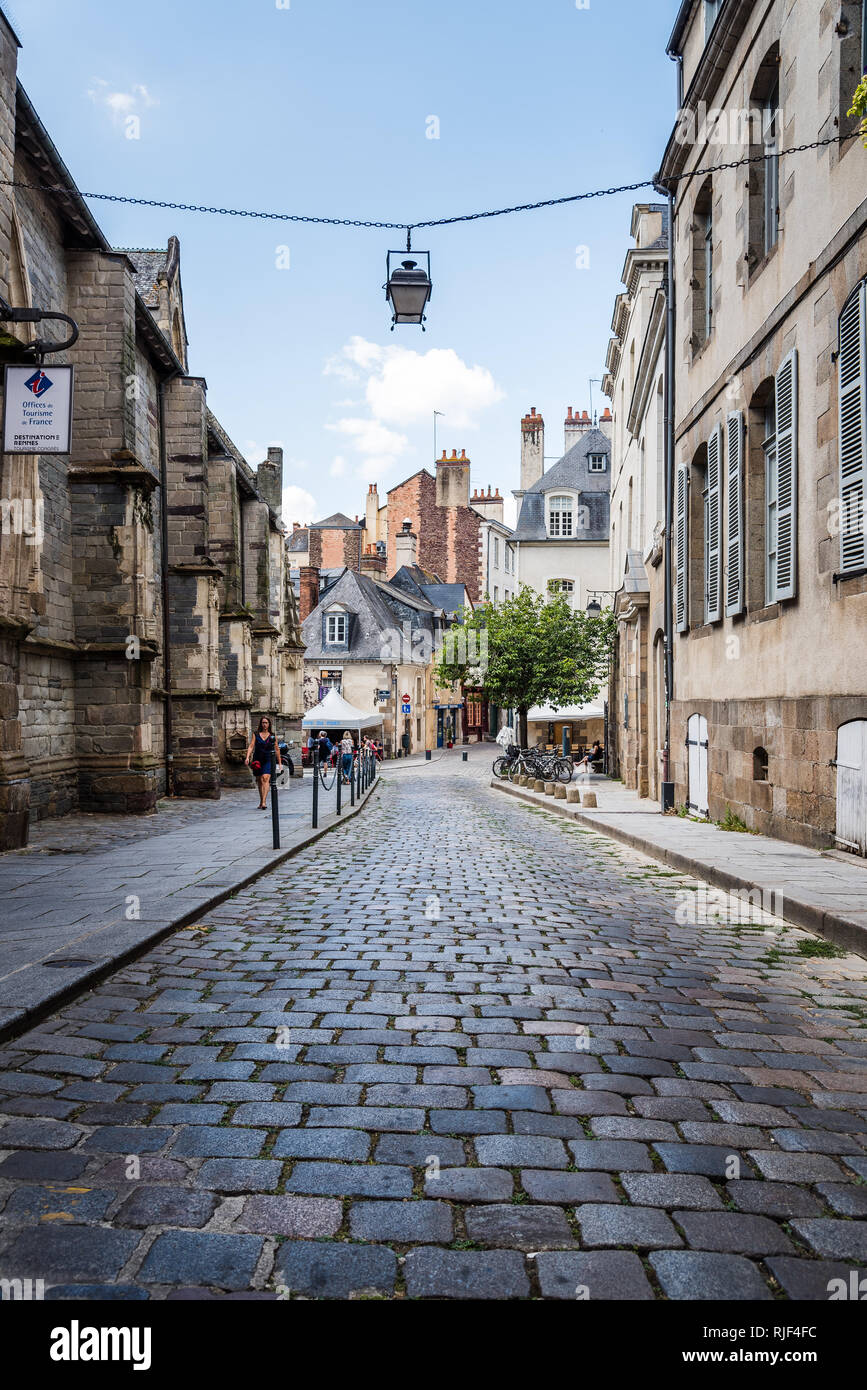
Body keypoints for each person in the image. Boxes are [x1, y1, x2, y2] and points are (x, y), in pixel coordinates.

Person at [245, 715, 281, 809]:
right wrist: (247, 757)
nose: (264, 724)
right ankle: (261, 800)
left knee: (265, 778)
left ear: (269, 724)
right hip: (258, 759)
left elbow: (277, 749)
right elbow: (251, 746)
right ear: (261, 724)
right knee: (259, 780)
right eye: (263, 723)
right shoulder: (256, 734)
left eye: (266, 723)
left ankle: (264, 802)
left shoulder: (272, 735)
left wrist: (280, 763)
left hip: (268, 759)